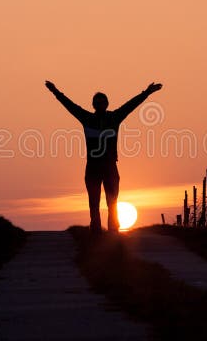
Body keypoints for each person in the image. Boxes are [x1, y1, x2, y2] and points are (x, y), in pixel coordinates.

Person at [45, 80, 163, 233]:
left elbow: (131, 105)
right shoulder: (86, 118)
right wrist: (55, 91)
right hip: (93, 167)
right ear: (93, 105)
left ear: (107, 103)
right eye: (97, 102)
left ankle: (113, 229)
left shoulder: (115, 117)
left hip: (110, 167)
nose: (100, 104)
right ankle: (95, 229)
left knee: (112, 201)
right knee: (94, 202)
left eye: (102, 102)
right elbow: (70, 105)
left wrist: (147, 92)